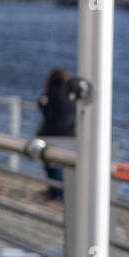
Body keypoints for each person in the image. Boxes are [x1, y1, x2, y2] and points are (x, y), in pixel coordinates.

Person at [37, 67, 77, 201]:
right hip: (70, 135)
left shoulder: (53, 93)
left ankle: (55, 192)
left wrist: (42, 104)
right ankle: (62, 193)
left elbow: (49, 115)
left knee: (51, 166)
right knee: (64, 165)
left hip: (52, 134)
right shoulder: (72, 95)